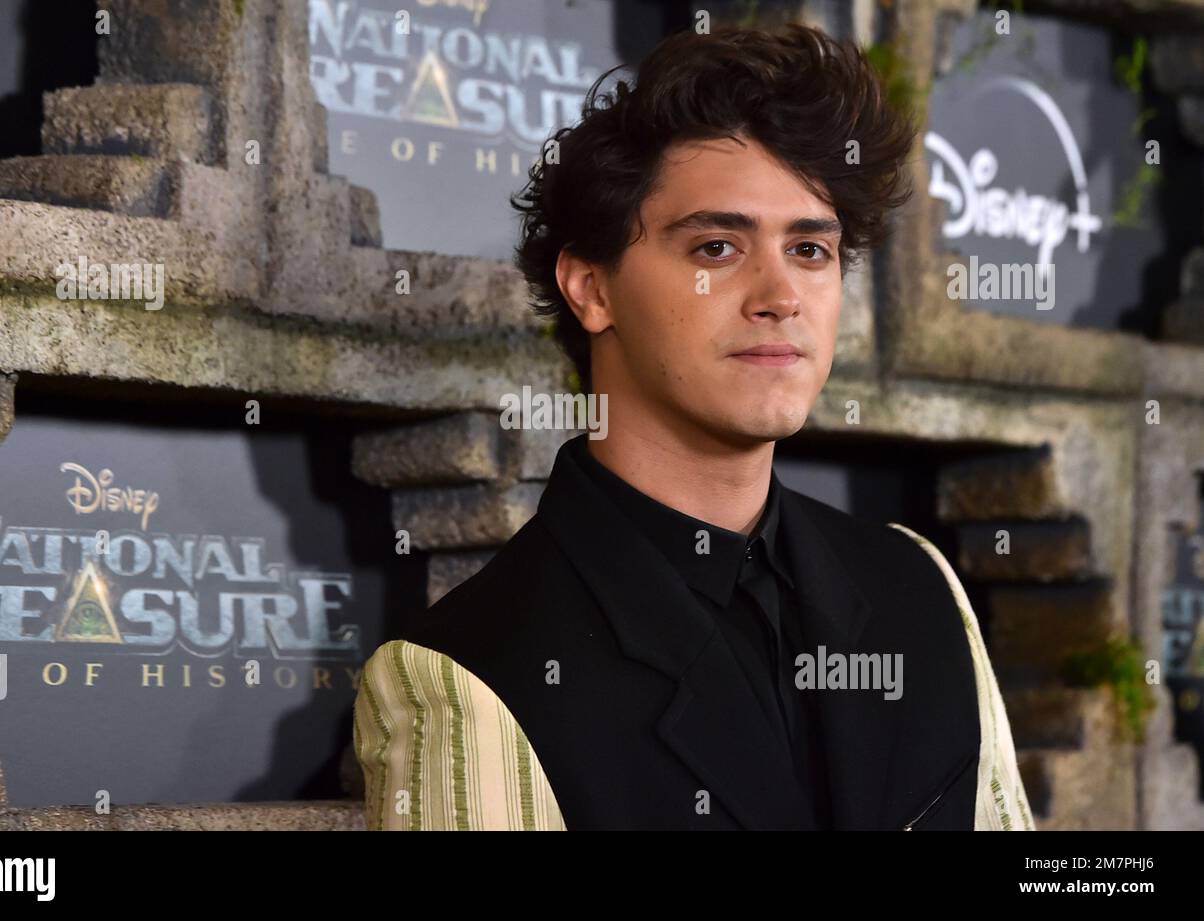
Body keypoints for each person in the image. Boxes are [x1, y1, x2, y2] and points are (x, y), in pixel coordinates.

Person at [353, 22, 1034, 831]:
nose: (779, 292)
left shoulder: (919, 587)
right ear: (591, 289)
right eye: (717, 245)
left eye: (811, 250)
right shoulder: (465, 675)